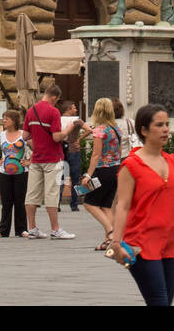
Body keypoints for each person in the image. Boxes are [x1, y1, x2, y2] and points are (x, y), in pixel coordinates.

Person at [109, 103, 174, 307]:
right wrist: (116, 243)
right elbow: (122, 206)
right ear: (144, 130)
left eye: (167, 124)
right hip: (141, 244)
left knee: (164, 302)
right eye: (159, 125)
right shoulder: (131, 165)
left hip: (170, 244)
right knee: (158, 301)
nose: (165, 129)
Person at [23, 81, 75, 240]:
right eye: (57, 99)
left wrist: (38, 143)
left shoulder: (31, 111)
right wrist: (68, 129)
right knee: (52, 194)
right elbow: (56, 136)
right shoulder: (53, 112)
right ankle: (55, 229)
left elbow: (25, 136)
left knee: (31, 194)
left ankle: (32, 228)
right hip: (53, 158)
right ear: (54, 97)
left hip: (36, 158)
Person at [81, 98, 122, 250]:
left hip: (102, 170)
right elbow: (118, 152)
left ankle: (111, 233)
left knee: (89, 203)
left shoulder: (99, 130)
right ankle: (110, 240)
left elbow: (95, 155)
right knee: (106, 206)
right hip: (115, 169)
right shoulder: (116, 129)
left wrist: (88, 175)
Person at [0, 108, 30, 237]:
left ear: (14, 121)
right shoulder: (1, 135)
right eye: (4, 118)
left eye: (6, 119)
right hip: (4, 173)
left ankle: (22, 229)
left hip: (21, 173)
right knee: (6, 202)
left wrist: (29, 162)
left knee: (20, 201)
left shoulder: (24, 134)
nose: (4, 121)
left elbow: (38, 148)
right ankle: (3, 230)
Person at [59, 100, 89, 212]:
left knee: (60, 178)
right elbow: (89, 129)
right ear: (69, 109)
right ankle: (74, 205)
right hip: (74, 150)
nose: (76, 110)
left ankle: (57, 204)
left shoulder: (57, 120)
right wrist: (78, 139)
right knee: (76, 178)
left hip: (61, 151)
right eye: (74, 107)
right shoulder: (76, 120)